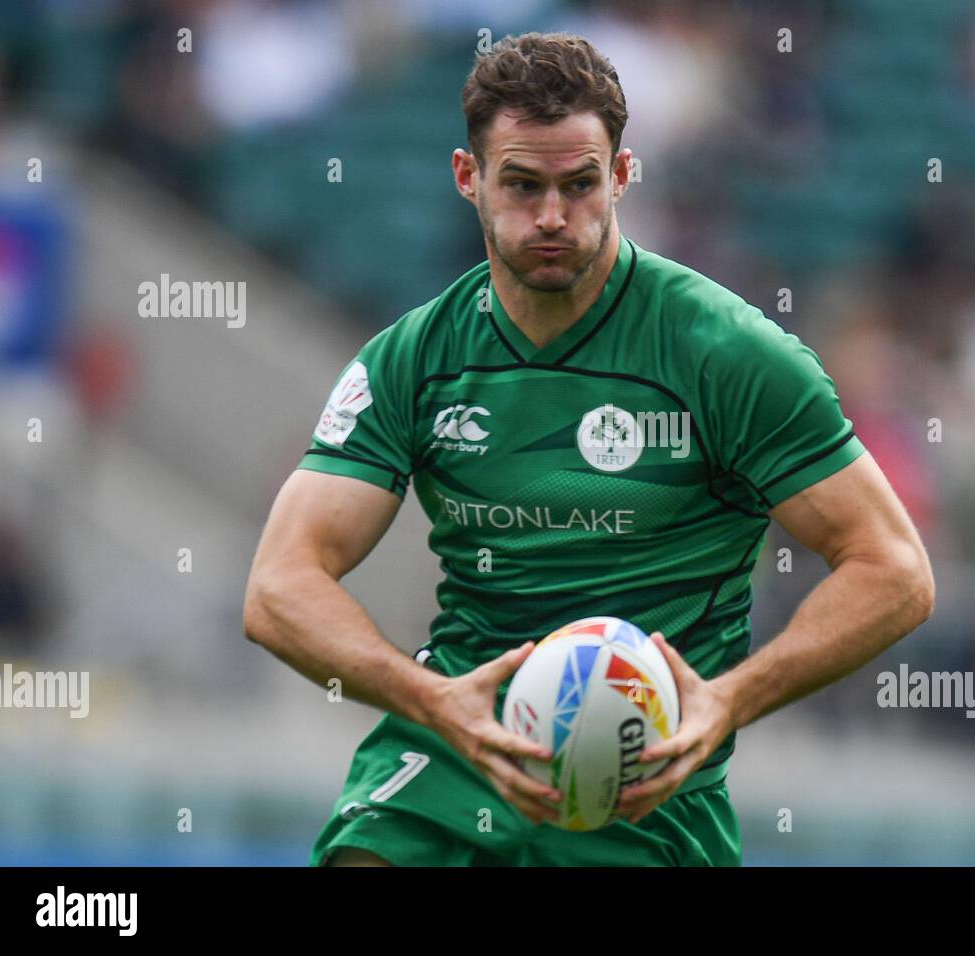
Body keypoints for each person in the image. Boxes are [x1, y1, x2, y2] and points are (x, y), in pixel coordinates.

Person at [243, 31, 934, 867]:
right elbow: (280, 586)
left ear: (621, 176)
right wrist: (432, 700)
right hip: (465, 745)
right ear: (469, 178)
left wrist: (728, 701)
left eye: (579, 186)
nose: (551, 218)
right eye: (522, 185)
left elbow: (893, 568)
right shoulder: (415, 359)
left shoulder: (727, 353)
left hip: (649, 775)